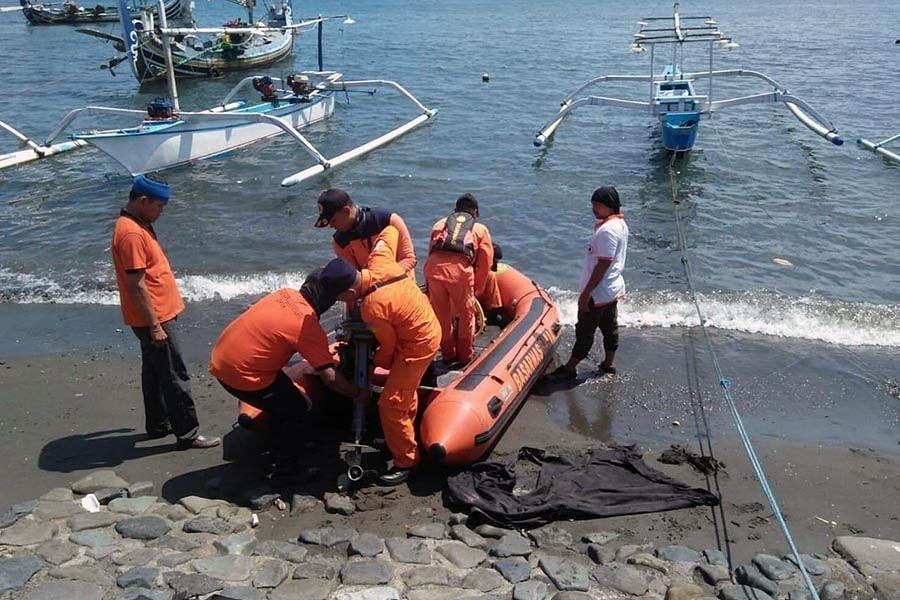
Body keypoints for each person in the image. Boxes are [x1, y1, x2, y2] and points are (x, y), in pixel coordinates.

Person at [209, 261, 361, 476]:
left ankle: (286, 439)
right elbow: (329, 376)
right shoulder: (306, 326)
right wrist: (356, 393)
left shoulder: (285, 293)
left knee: (285, 401)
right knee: (298, 409)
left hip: (221, 357)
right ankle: (286, 470)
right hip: (241, 374)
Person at [111, 174, 220, 449]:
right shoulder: (133, 233)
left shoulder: (136, 223)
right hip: (155, 317)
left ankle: (158, 424)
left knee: (155, 369)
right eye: (160, 206)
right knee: (174, 374)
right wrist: (156, 325)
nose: (162, 211)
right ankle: (188, 434)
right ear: (144, 200)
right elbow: (136, 284)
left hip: (152, 315)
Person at [336, 226, 441, 485]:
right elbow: (390, 231)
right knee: (404, 391)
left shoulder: (372, 308)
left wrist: (375, 364)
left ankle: (406, 461)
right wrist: (367, 224)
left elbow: (389, 347)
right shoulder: (378, 260)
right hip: (426, 326)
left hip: (416, 345)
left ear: (351, 293)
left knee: (390, 404)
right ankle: (402, 436)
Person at [549, 186, 628, 380]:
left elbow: (603, 263)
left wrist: (586, 293)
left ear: (607, 206)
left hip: (598, 293)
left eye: (596, 205)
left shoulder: (608, 231)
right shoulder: (620, 224)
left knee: (584, 330)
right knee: (610, 328)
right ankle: (608, 364)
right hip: (611, 290)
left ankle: (570, 368)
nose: (593, 209)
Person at [424, 193, 501, 365]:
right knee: (467, 315)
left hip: (433, 271)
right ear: (475, 212)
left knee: (441, 315)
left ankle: (447, 355)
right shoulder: (480, 229)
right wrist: (476, 289)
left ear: (456, 209)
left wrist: (428, 283)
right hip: (459, 274)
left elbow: (431, 252)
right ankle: (465, 356)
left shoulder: (439, 224)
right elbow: (485, 262)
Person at [314, 188, 417, 277]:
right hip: (371, 290)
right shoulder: (339, 242)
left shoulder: (388, 221)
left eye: (333, 221)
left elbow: (409, 259)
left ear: (346, 211)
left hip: (403, 284)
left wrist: (382, 279)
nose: (331, 226)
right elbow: (354, 276)